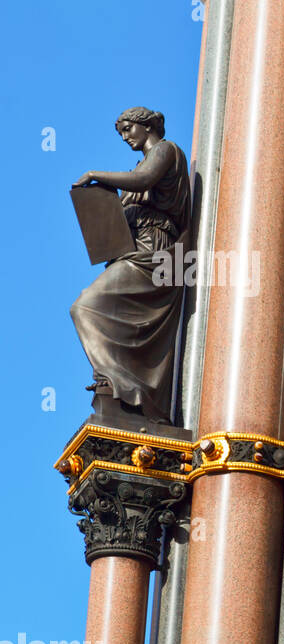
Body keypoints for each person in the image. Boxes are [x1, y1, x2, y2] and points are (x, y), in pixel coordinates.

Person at [71, 107, 190, 425]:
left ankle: (120, 383)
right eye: (121, 132)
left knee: (86, 307)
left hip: (156, 253)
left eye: (127, 129)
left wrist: (98, 175)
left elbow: (144, 179)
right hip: (132, 252)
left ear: (147, 125)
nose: (125, 137)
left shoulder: (166, 150)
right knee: (88, 309)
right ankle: (116, 384)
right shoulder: (139, 167)